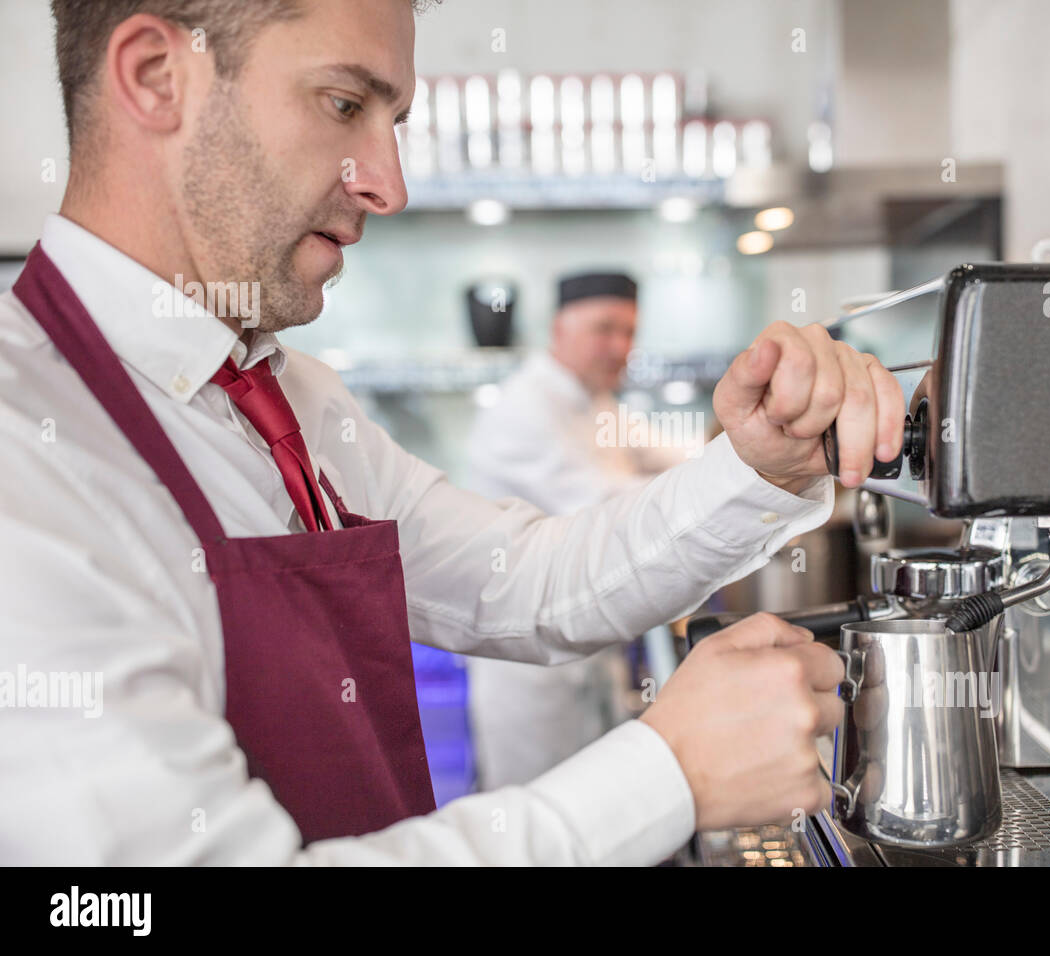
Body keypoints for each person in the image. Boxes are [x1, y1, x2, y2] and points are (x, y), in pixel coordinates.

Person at [0, 0, 903, 865]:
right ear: (159, 76)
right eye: (345, 104)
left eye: (392, 123)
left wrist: (761, 467)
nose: (386, 185)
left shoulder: (290, 396)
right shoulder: (25, 439)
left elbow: (533, 582)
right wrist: (665, 775)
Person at [465, 271, 689, 790]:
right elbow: (608, 504)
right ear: (558, 330)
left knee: (595, 810)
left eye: (630, 332)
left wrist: (746, 455)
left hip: (587, 646)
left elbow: (669, 459)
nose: (620, 346)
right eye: (604, 329)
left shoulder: (597, 402)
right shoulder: (524, 408)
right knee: (536, 821)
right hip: (529, 665)